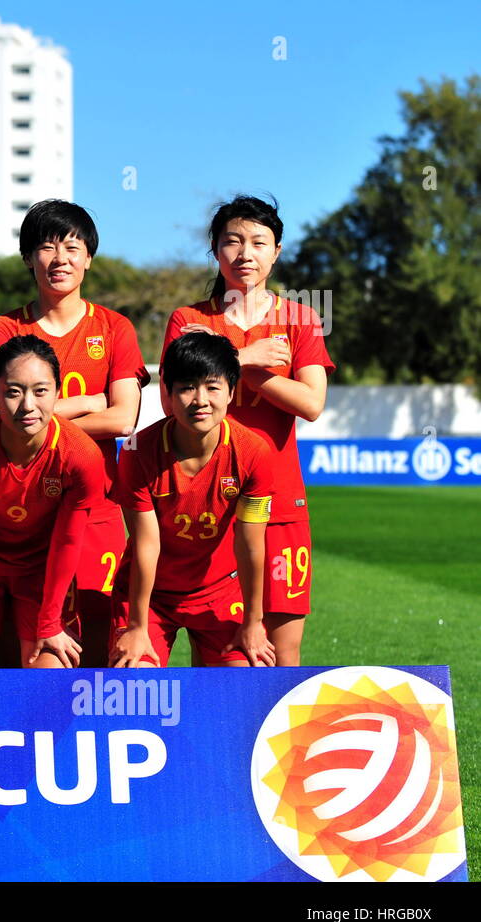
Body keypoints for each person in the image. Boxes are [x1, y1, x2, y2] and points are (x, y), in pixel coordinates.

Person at [161, 196, 333, 665]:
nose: (246, 253)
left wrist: (254, 376)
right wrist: (246, 358)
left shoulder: (300, 319)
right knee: (221, 655)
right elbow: (169, 401)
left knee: (278, 656)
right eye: (233, 241)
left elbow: (313, 404)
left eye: (259, 242)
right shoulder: (189, 320)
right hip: (204, 506)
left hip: (278, 502)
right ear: (215, 250)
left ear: (276, 252)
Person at [0, 201, 147, 666]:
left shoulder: (115, 328)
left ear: (89, 257)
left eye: (72, 247)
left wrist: (37, 418)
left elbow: (122, 420)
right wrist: (82, 404)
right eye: (47, 247)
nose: (60, 259)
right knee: (26, 651)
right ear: (28, 257)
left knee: (98, 637)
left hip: (98, 506)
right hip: (19, 513)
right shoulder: (2, 330)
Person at [0, 336, 106, 668]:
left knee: (50, 679)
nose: (27, 405)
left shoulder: (81, 456)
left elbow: (67, 542)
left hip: (41, 572)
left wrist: (49, 623)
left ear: (58, 391)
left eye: (40, 391)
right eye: (13, 392)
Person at [111, 333, 275, 668]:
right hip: (150, 596)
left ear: (231, 390)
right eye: (186, 387)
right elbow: (145, 544)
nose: (200, 399)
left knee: (243, 682)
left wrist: (254, 622)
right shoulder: (137, 451)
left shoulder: (254, 452)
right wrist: (138, 626)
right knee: (135, 683)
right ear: (168, 393)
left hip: (220, 592)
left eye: (212, 387)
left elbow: (251, 544)